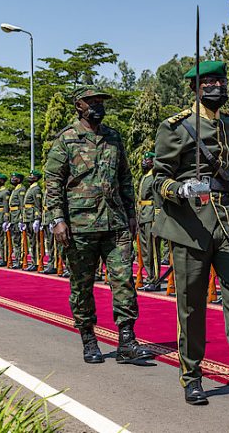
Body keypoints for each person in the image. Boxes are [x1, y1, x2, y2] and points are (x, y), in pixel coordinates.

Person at [152, 60, 229, 407]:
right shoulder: (175, 128)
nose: (216, 88)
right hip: (190, 225)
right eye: (207, 83)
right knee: (192, 306)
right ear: (195, 89)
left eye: (220, 82)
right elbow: (157, 178)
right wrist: (178, 190)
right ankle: (191, 376)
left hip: (228, 224)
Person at [45, 85, 154, 366]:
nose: (97, 106)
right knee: (82, 286)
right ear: (78, 105)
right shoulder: (66, 140)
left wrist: (131, 214)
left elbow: (125, 179)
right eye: (90, 101)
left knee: (124, 282)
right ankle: (88, 338)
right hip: (79, 226)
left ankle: (127, 341)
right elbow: (53, 183)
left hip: (115, 224)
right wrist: (58, 219)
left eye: (100, 101)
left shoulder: (114, 138)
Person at [137, 152, 161, 292]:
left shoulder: (154, 176)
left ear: (153, 161)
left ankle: (155, 279)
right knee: (145, 251)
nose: (145, 161)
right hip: (143, 215)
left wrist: (157, 217)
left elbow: (158, 198)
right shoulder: (145, 176)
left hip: (151, 216)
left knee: (153, 251)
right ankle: (150, 277)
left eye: (148, 159)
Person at [23, 170, 44, 271]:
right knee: (31, 241)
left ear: (36, 178)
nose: (29, 177)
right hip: (28, 217)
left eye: (32, 176)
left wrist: (37, 218)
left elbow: (37, 205)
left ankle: (37, 262)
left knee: (35, 241)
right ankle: (34, 261)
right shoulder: (31, 188)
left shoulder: (36, 189)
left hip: (32, 217)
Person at [8, 172, 27, 269]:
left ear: (19, 179)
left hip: (17, 217)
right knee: (15, 240)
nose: (12, 179)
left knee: (20, 240)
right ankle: (17, 259)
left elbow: (22, 205)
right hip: (13, 218)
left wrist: (21, 219)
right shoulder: (15, 189)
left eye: (14, 177)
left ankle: (21, 260)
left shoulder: (21, 189)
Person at [0, 173, 12, 267]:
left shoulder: (5, 192)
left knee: (4, 239)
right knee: (0, 239)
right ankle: (2, 257)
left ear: (3, 181)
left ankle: (5, 258)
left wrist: (6, 218)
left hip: (1, 217)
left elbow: (5, 206)